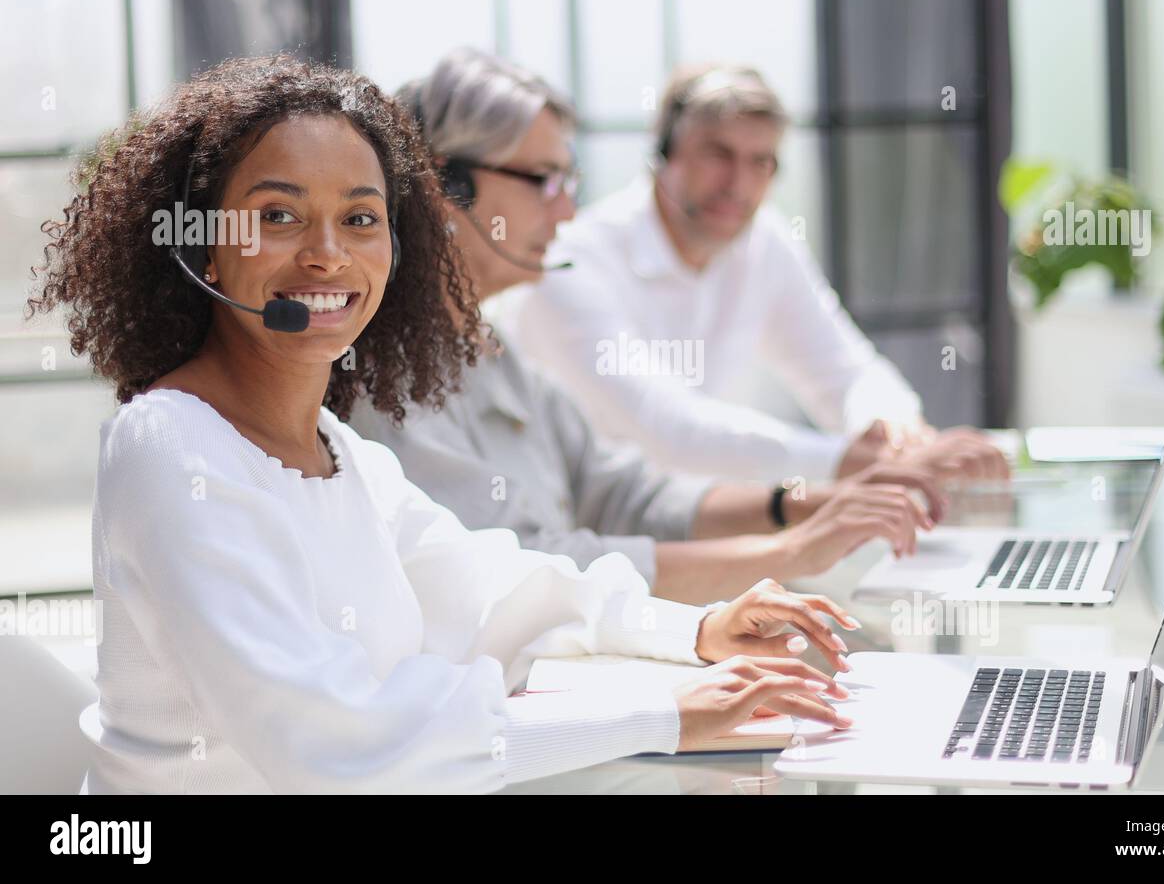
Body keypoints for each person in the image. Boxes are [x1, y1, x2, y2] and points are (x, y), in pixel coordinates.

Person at [28, 55, 859, 794]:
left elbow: (495, 588)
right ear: (206, 247)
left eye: (360, 218)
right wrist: (660, 713)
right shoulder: (169, 448)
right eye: (278, 217)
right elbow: (332, 741)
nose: (328, 254)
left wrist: (699, 629)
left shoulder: (338, 451)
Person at [350, 49, 946, 605]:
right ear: (444, 185)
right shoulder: (381, 379)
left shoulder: (488, 351)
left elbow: (624, 492)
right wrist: (787, 549)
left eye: (570, 183)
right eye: (543, 181)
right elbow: (527, 569)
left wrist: (805, 502)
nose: (565, 211)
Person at [511, 63, 1011, 484]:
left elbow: (844, 369)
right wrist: (848, 460)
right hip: (574, 541)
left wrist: (894, 430)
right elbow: (668, 433)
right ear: (662, 154)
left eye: (761, 162)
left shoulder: (762, 241)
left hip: (694, 519)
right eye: (718, 155)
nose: (738, 184)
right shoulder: (572, 261)